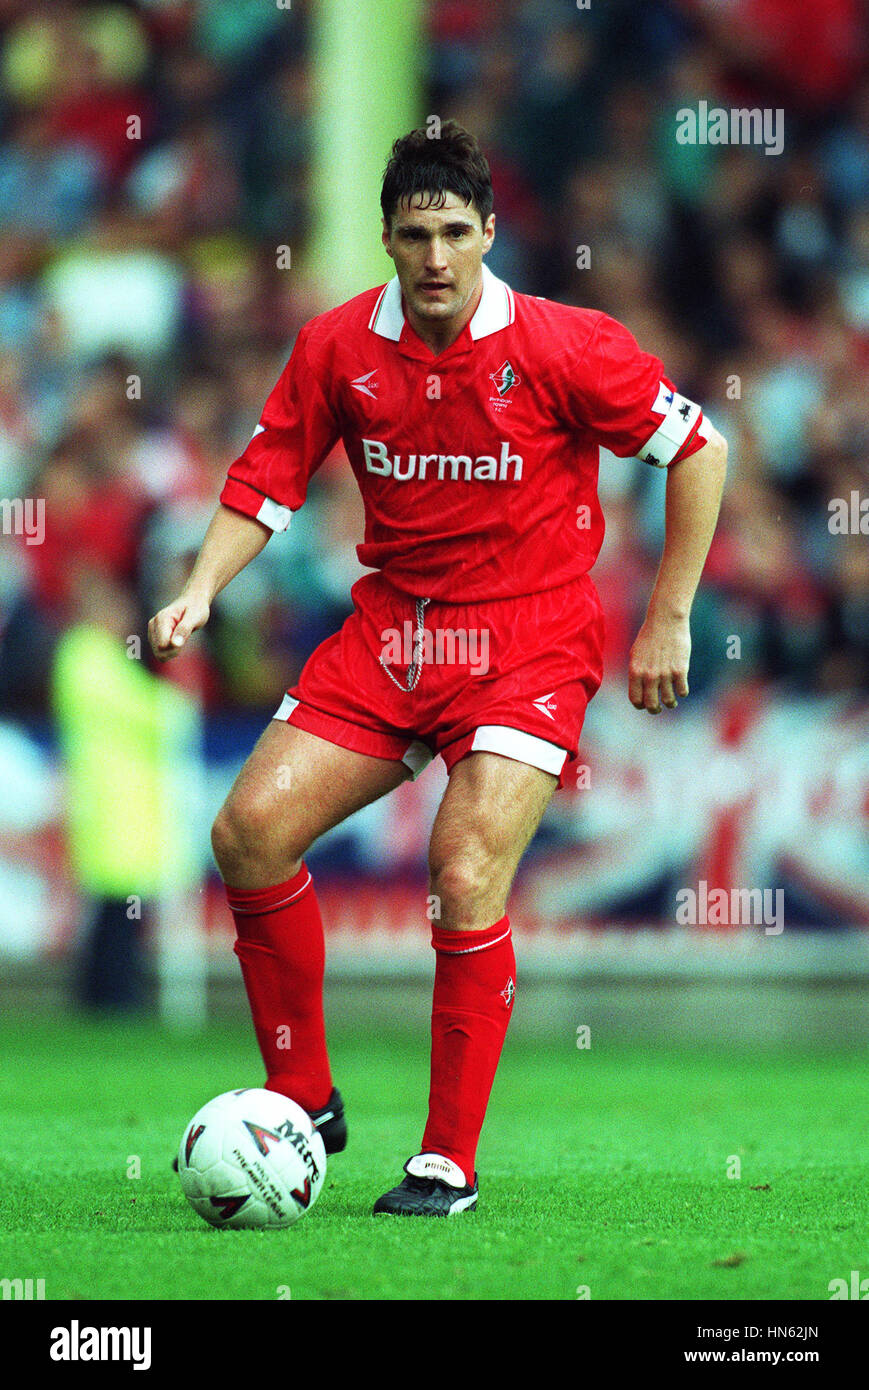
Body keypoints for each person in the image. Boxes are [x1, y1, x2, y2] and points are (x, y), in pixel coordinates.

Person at [149, 123, 727, 1216]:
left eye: (454, 232)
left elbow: (698, 446)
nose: (433, 257)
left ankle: (445, 1161)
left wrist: (669, 617)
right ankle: (304, 1097)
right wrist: (200, 588)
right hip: (395, 634)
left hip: (527, 636)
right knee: (247, 832)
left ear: (488, 233)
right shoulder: (335, 348)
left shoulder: (562, 345)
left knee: (463, 868)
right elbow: (265, 479)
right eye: (412, 234)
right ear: (385, 239)